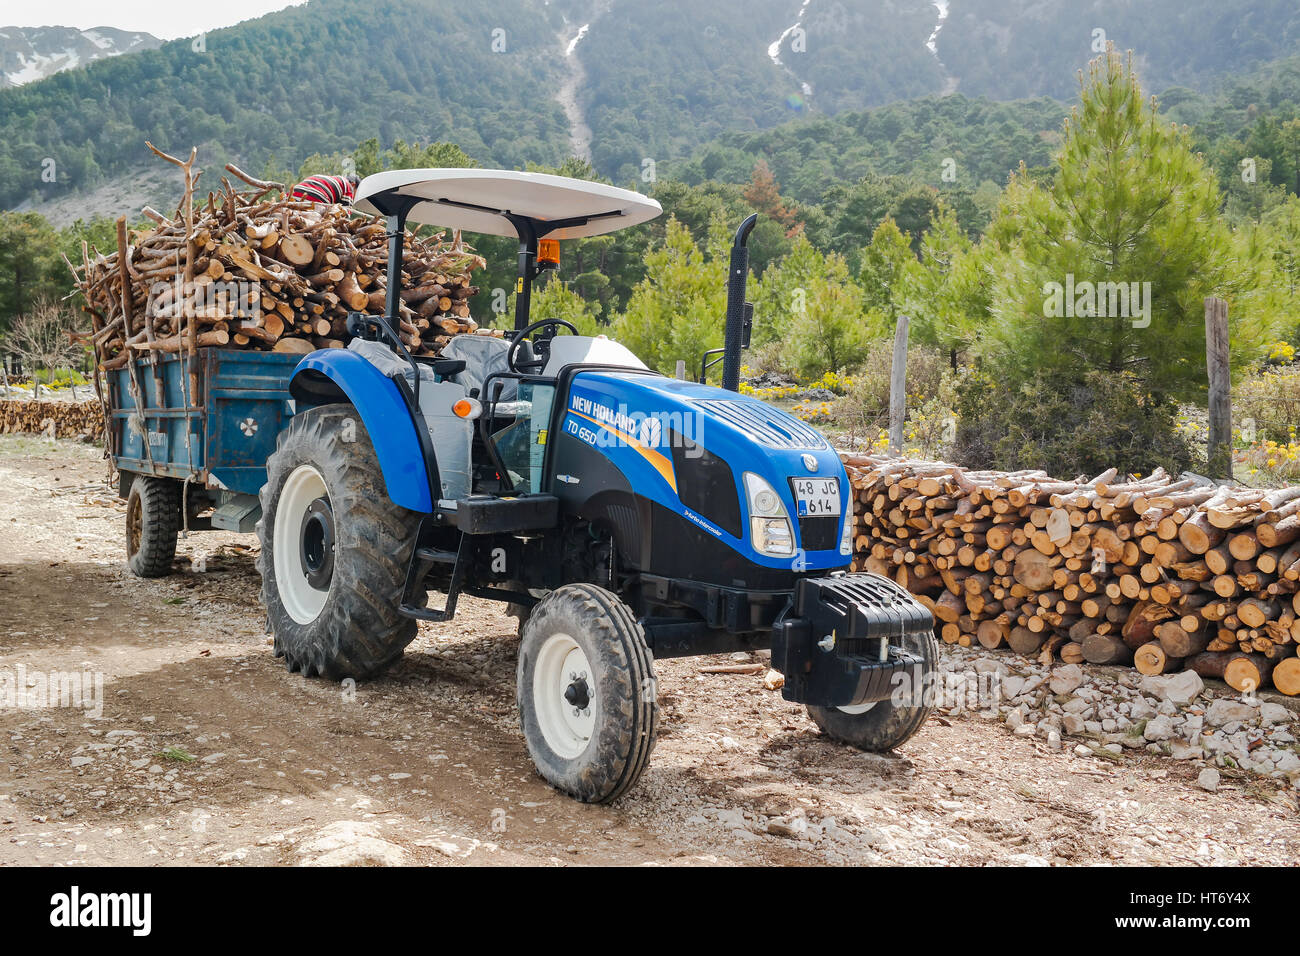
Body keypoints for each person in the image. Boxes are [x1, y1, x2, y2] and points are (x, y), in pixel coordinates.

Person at [291, 172, 360, 205]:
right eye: (356, 192)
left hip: (294, 194)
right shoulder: (348, 186)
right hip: (315, 197)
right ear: (353, 185)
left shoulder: (333, 180)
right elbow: (345, 215)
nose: (353, 198)